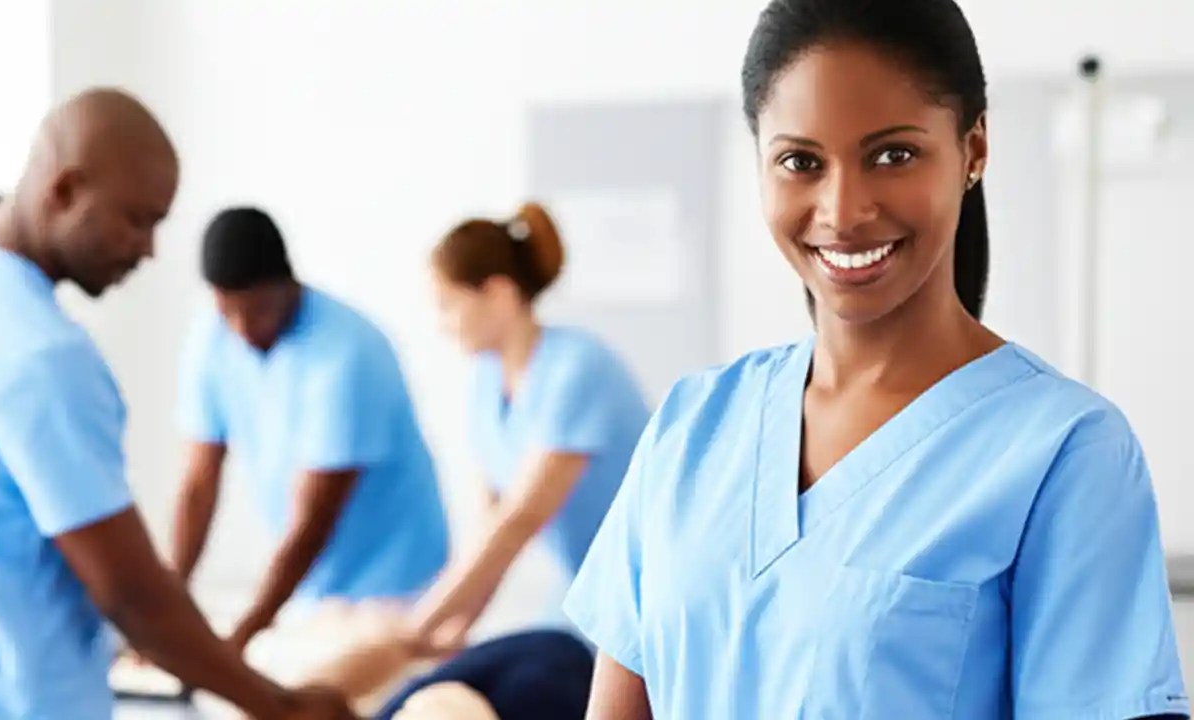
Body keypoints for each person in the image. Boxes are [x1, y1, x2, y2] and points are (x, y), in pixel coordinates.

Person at [563, 2, 1190, 719]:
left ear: (973, 149)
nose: (843, 209)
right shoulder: (692, 426)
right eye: (801, 162)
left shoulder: (1065, 451)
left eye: (893, 155)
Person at [0, 89, 352, 720]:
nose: (148, 250)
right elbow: (130, 594)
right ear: (65, 190)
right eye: (137, 220)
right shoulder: (39, 353)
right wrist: (279, 707)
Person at [374, 202, 650, 717]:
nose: (441, 324)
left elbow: (517, 523)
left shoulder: (577, 368)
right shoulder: (486, 382)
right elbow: (488, 530)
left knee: (506, 694)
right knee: (410, 700)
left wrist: (410, 634)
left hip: (628, 624)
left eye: (448, 305)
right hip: (567, 615)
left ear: (498, 294)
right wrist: (450, 630)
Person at [173, 206, 449, 652]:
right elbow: (199, 484)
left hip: (397, 590)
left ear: (288, 285)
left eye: (257, 310)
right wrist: (170, 606)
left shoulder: (347, 353)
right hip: (311, 591)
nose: (242, 329)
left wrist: (243, 635)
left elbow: (312, 523)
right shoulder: (212, 337)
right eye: (228, 311)